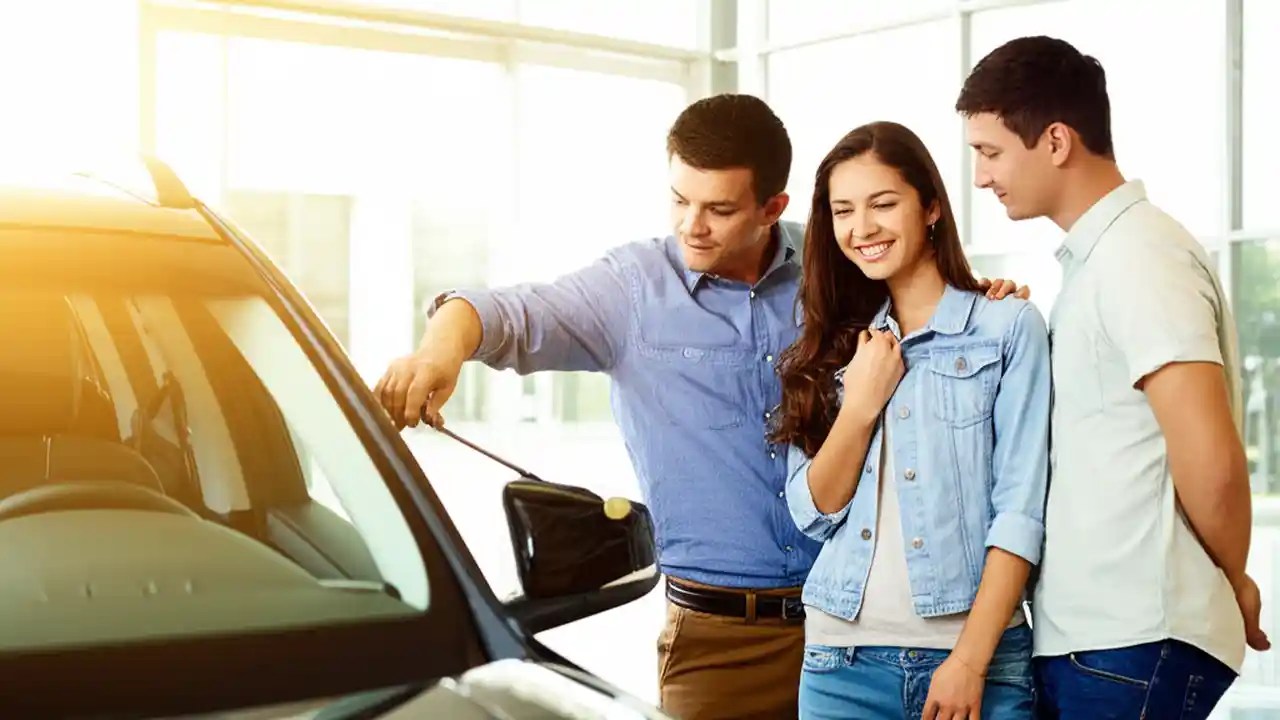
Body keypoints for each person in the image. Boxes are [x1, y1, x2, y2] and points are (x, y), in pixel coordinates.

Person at [374, 93, 1024, 719]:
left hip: (855, 631)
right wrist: (437, 356)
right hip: (717, 645)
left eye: (717, 208)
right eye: (680, 200)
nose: (691, 224)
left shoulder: (836, 263)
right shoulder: (631, 291)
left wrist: (983, 297)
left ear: (773, 206)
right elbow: (498, 313)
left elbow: (924, 300)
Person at [956, 35, 1271, 719]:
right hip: (1105, 642)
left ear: (1057, 141)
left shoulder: (1139, 256)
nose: (980, 177)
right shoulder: (1101, 264)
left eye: (989, 152)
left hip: (1131, 640)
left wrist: (1232, 577)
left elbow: (1213, 461)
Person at [771, 121, 1049, 720]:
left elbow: (1021, 512)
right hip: (839, 665)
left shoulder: (1007, 329)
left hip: (978, 663)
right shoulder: (833, 345)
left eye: (883, 204)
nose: (861, 228)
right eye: (843, 210)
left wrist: (970, 662)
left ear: (930, 208)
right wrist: (862, 403)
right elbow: (811, 511)